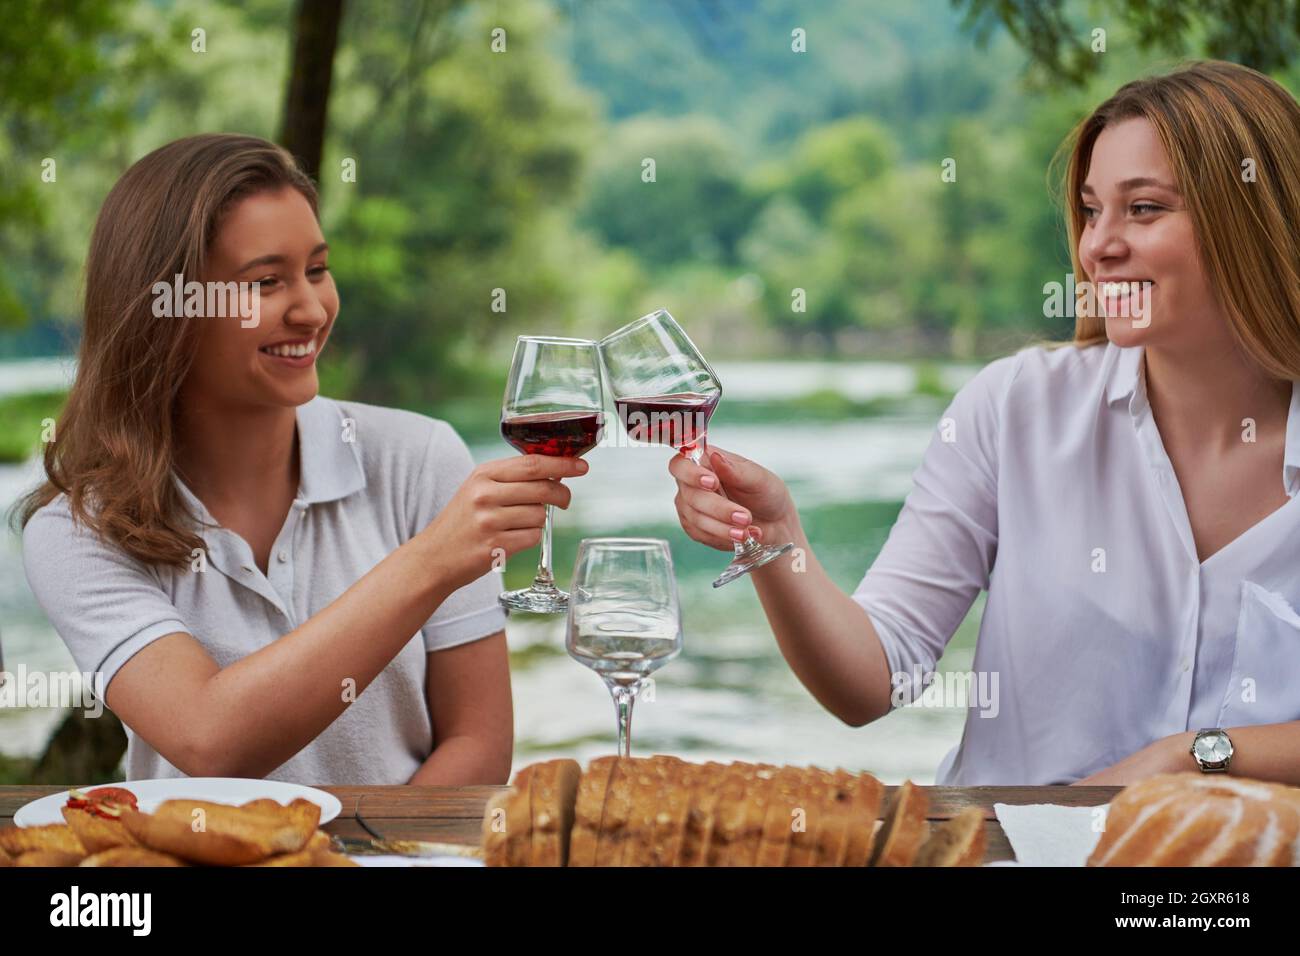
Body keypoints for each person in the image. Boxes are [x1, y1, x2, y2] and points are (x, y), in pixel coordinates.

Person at [669, 61, 1300, 786]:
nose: (1099, 247)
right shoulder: (1012, 408)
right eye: (1092, 210)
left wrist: (1198, 754)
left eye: (1145, 209)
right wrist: (778, 539)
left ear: (1252, 219)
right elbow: (874, 680)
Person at [15, 134, 586, 784]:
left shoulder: (419, 459)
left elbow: (477, 746)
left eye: (317, 269)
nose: (312, 310)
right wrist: (430, 562)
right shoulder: (77, 530)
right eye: (265, 282)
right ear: (166, 310)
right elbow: (208, 739)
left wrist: (377, 863)